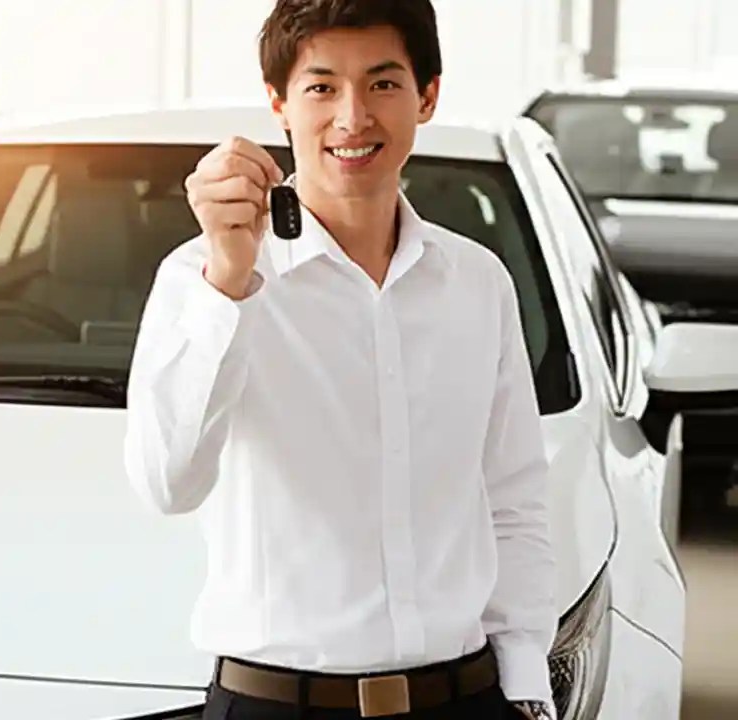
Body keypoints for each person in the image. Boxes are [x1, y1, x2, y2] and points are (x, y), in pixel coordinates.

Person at [122, 1, 557, 718]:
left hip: (467, 698)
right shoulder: (200, 280)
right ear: (279, 105)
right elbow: (168, 482)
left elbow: (513, 498)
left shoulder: (478, 283)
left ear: (427, 96)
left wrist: (524, 686)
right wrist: (230, 283)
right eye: (321, 87)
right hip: (275, 703)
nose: (353, 118)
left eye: (382, 84)